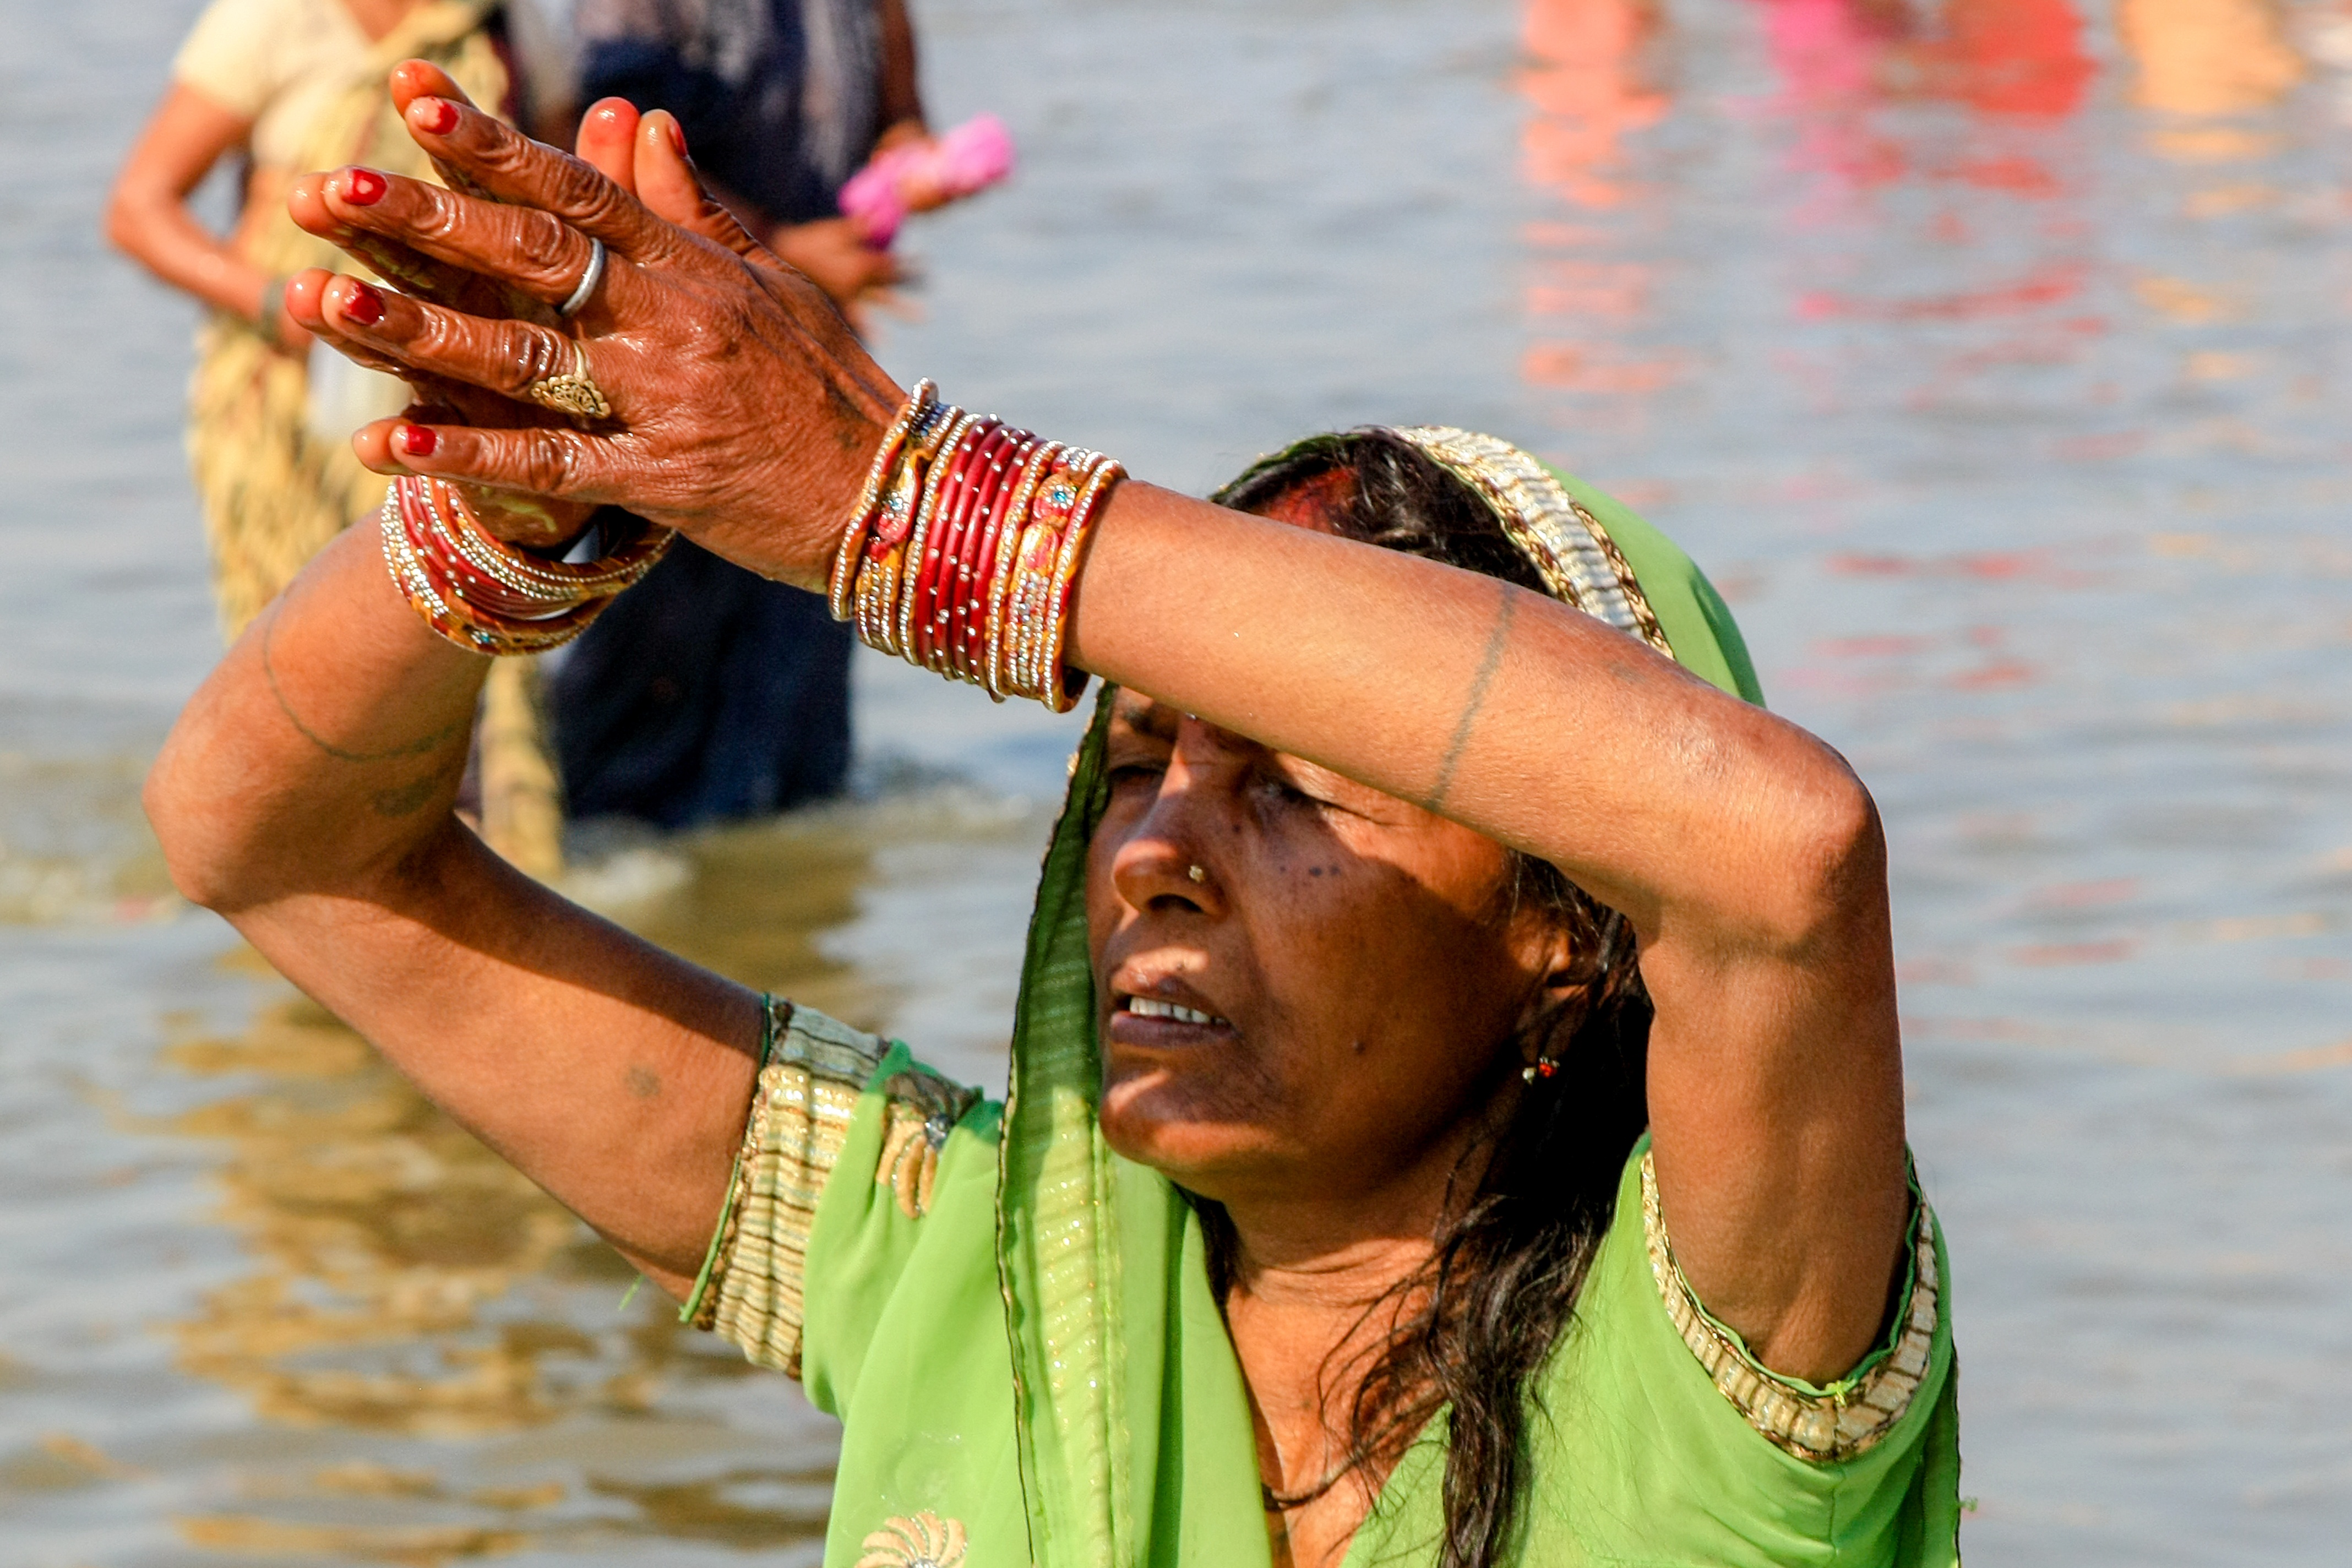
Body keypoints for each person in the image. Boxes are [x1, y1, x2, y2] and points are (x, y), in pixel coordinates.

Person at [144, 66, 1959, 1568]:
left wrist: (895, 499)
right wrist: (524, 508)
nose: (1157, 848)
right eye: (1139, 762)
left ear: (1567, 934)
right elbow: (270, 838)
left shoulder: (1726, 1359)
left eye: (1292, 789)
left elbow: (1779, 849)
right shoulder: (959, 1254)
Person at [106, 0, 569, 875]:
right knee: (309, 679)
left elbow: (553, 205)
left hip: (456, 407)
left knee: (484, 666)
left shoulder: (508, 27)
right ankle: (308, 900)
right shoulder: (275, 20)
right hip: (283, 410)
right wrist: (285, 312)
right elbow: (139, 208)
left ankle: (490, 906)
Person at [542, 0, 936, 830]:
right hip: (675, 353)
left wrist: (912, 168)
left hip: (816, 358)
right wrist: (785, 246)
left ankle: (768, 922)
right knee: (651, 670)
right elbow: (608, 146)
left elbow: (901, 115)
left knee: (804, 664)